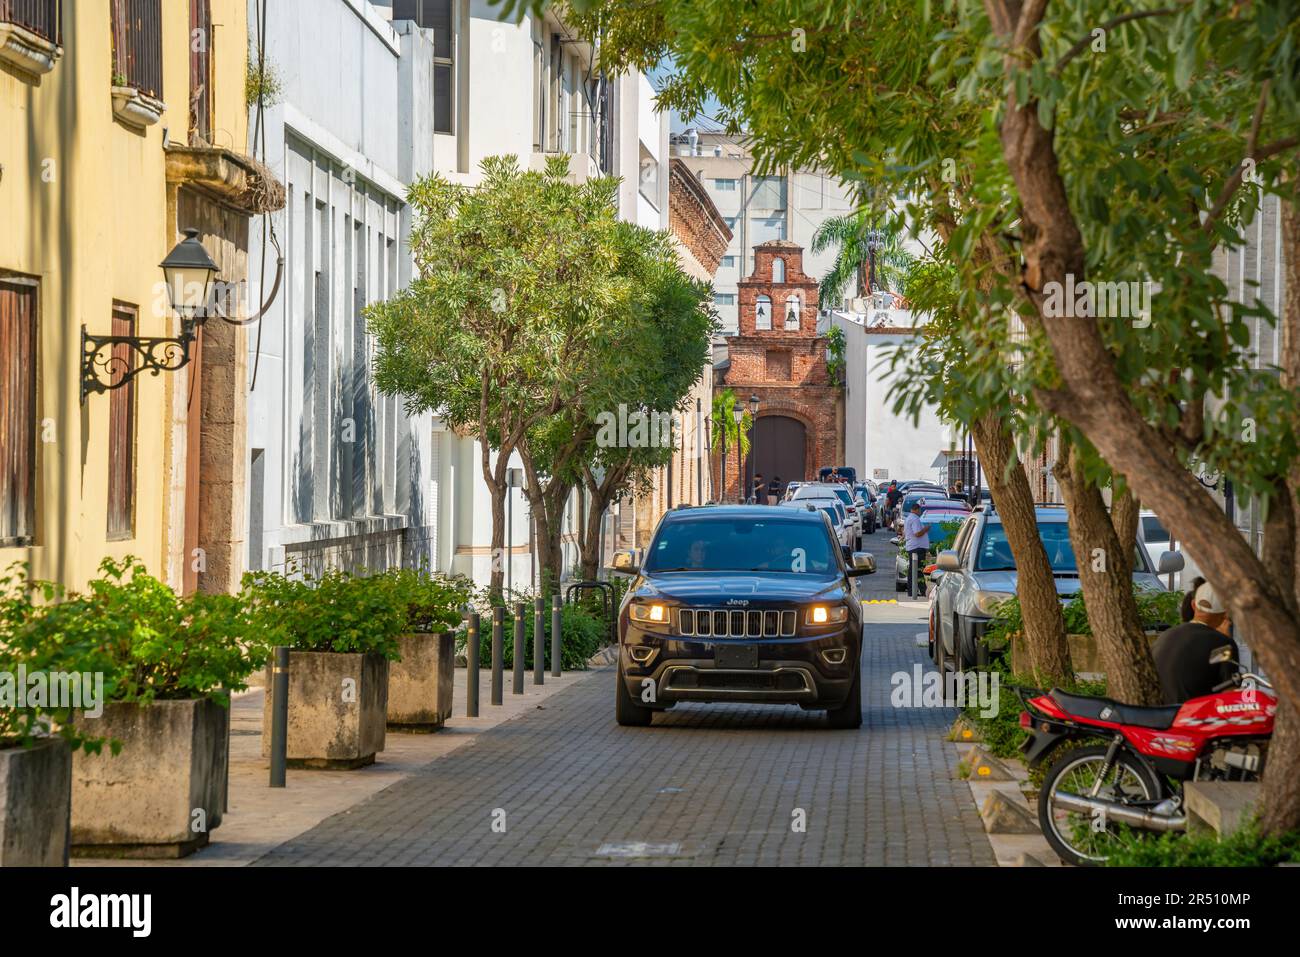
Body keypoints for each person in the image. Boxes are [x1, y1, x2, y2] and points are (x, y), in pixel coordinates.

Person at [1151, 581, 1239, 705]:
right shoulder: (1223, 643)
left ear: (1193, 605)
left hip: (1159, 715)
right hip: (1194, 718)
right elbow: (1229, 694)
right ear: (1226, 614)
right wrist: (1225, 639)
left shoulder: (1165, 635)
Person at [902, 502, 931, 595]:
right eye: (920, 511)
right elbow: (917, 533)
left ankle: (912, 591)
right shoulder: (915, 519)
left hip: (913, 547)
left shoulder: (908, 518)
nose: (920, 512)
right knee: (917, 570)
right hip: (917, 547)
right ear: (917, 510)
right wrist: (926, 529)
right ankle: (922, 590)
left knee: (913, 570)